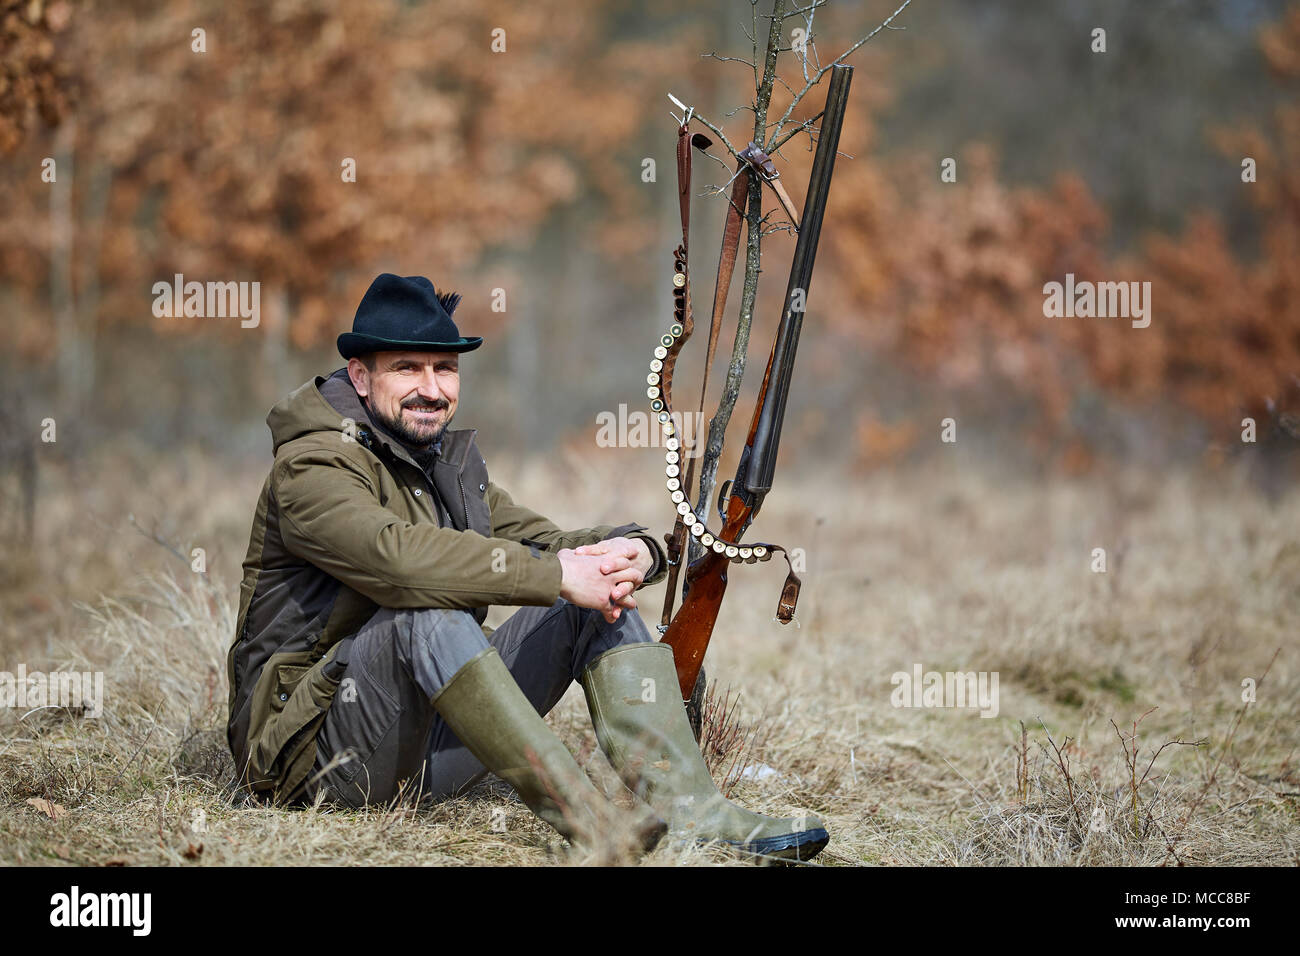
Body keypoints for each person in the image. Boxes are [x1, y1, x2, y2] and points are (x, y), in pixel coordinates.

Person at [225, 272, 829, 861]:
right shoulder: (312, 466)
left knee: (591, 603)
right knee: (426, 610)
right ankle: (597, 829)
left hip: (423, 748)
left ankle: (695, 810)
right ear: (360, 376)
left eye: (445, 368)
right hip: (311, 759)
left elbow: (551, 542)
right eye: (407, 367)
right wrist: (558, 573)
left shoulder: (438, 464)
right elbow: (397, 563)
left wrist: (641, 552)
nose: (432, 388)